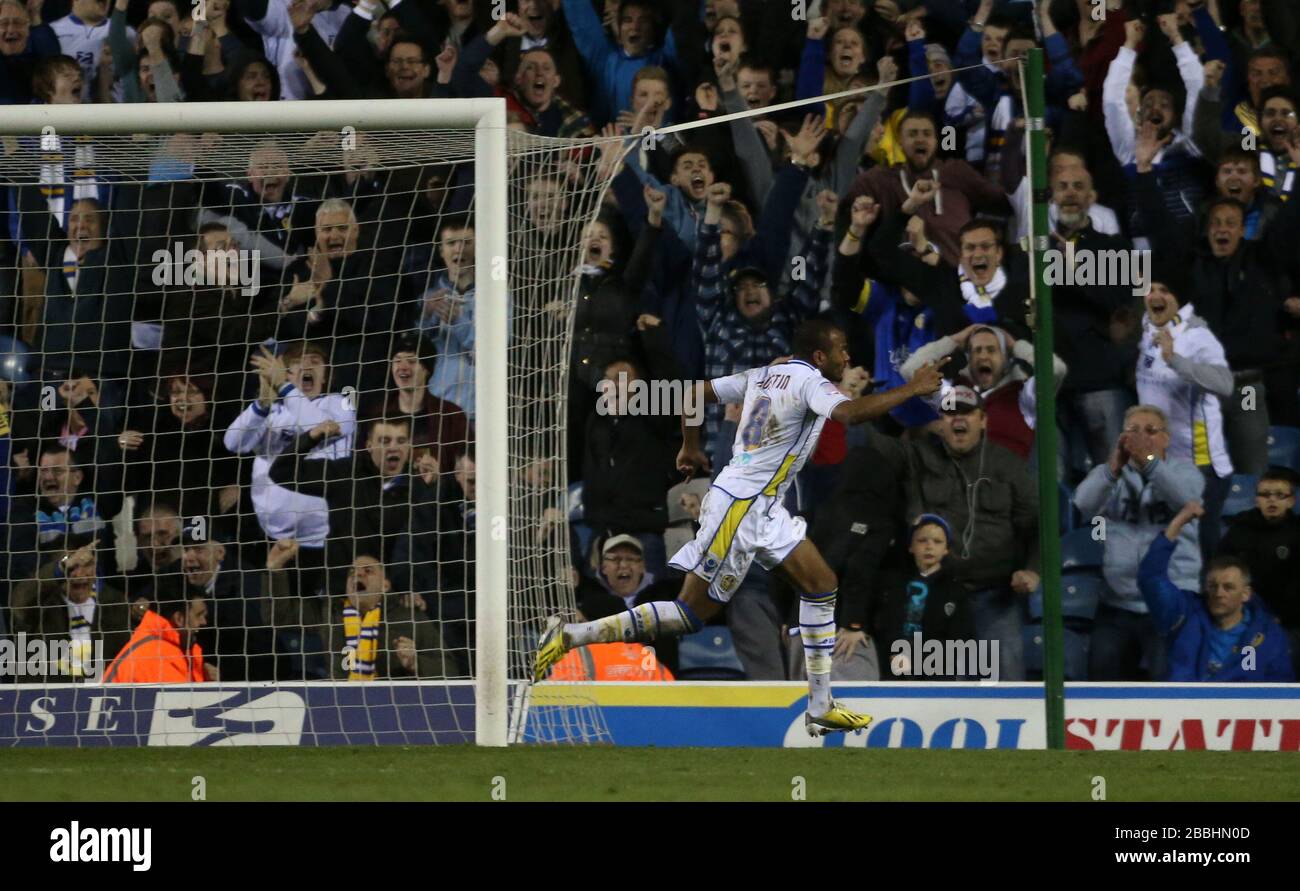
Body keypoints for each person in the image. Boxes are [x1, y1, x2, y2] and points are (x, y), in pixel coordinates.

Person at [535, 319, 946, 735]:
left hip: (763, 507)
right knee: (687, 615)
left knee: (822, 584)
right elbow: (851, 414)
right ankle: (570, 635)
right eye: (842, 350)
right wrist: (913, 387)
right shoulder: (809, 381)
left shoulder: (765, 374)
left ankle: (820, 704)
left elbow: (694, 393)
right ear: (820, 356)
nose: (848, 357)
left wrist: (691, 446)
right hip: (740, 509)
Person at [1073, 405, 1205, 681]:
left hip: (1171, 600)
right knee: (1100, 685)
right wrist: (1112, 469)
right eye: (1133, 430)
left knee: (1168, 686)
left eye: (1151, 431)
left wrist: (1150, 462)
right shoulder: (1109, 475)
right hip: (1118, 602)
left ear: (1166, 439)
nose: (1141, 437)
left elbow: (1186, 500)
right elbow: (1082, 505)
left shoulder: (1186, 472)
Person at [1139, 501, 1295, 682]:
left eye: (1228, 587)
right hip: (1183, 706)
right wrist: (1178, 523)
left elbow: (1281, 694)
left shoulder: (1268, 635)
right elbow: (1150, 578)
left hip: (1239, 709)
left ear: (1246, 594)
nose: (1219, 593)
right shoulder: (1183, 614)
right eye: (1213, 586)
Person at [9, 535, 132, 681]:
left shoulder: (114, 603)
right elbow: (20, 600)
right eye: (71, 567)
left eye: (87, 565)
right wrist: (61, 567)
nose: (79, 574)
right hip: (48, 695)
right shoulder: (40, 604)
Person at [871, 515, 976, 681]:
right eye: (922, 540)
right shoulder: (893, 585)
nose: (929, 546)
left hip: (936, 676)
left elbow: (960, 639)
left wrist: (919, 661)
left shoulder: (955, 590)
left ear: (946, 549)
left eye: (937, 541)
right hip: (892, 670)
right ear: (911, 546)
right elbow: (884, 626)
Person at [1218, 468, 1300, 659]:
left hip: (1289, 622)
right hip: (1244, 619)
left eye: (1280, 495)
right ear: (1256, 499)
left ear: (1291, 501)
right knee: (1247, 671)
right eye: (1265, 495)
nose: (1272, 500)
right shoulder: (1239, 530)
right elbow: (1221, 569)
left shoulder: (1298, 533)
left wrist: (1281, 617)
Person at [103, 590, 210, 683]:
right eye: (199, 615)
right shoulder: (157, 657)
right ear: (179, 619)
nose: (203, 622)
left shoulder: (170, 649)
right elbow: (184, 703)